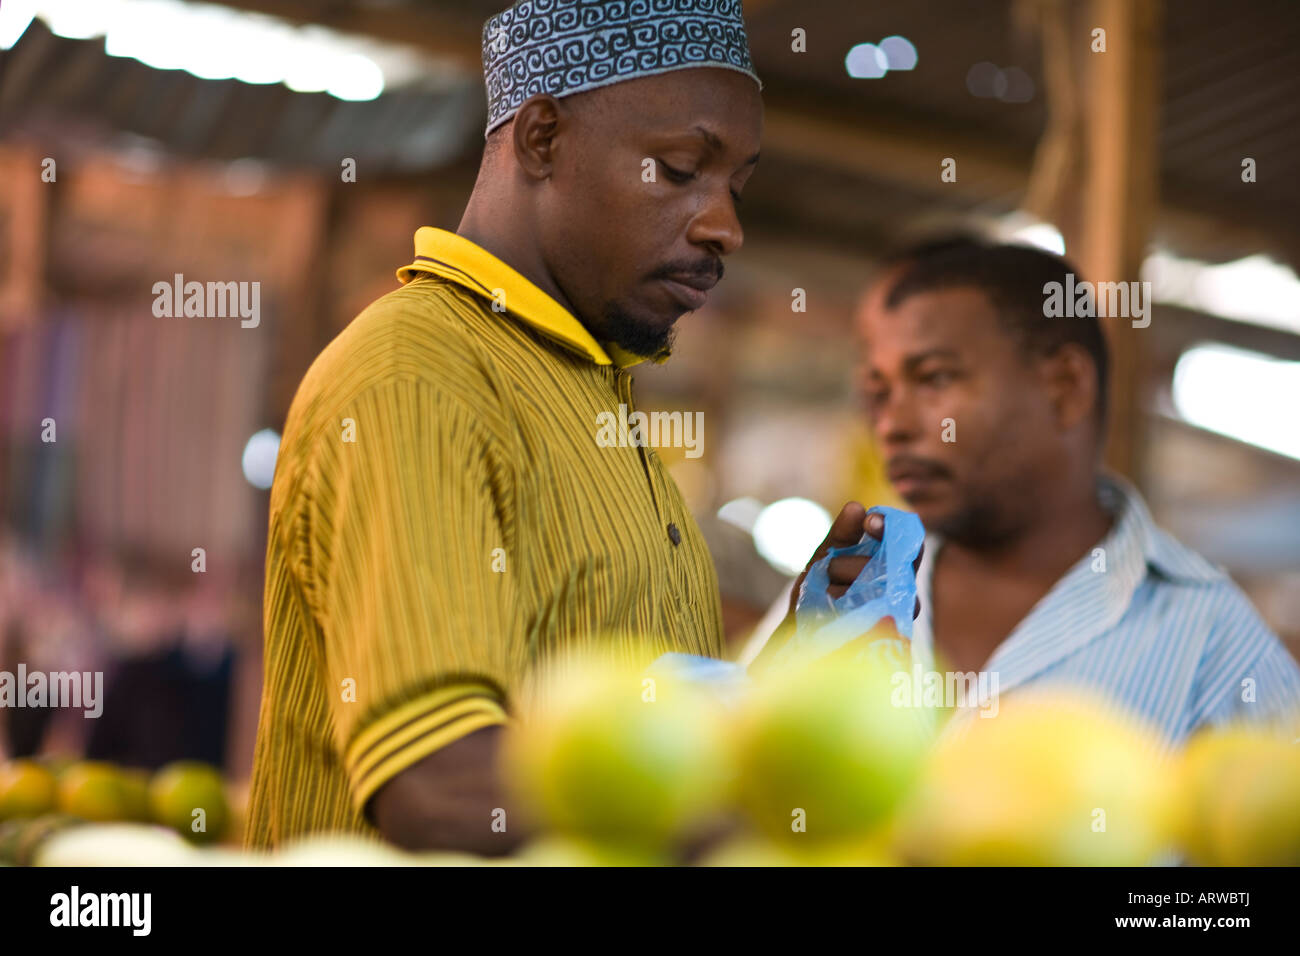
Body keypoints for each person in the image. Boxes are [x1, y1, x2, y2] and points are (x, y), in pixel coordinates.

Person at [247, 0, 764, 854]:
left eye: (736, 188)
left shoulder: (589, 386)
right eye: (679, 172)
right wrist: (772, 819)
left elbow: (625, 727)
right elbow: (440, 782)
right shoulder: (417, 377)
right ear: (542, 139)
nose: (725, 228)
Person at [758, 237, 1300, 744]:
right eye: (879, 391)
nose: (891, 424)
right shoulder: (839, 595)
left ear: (1064, 387)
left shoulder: (1217, 651)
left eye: (936, 379)